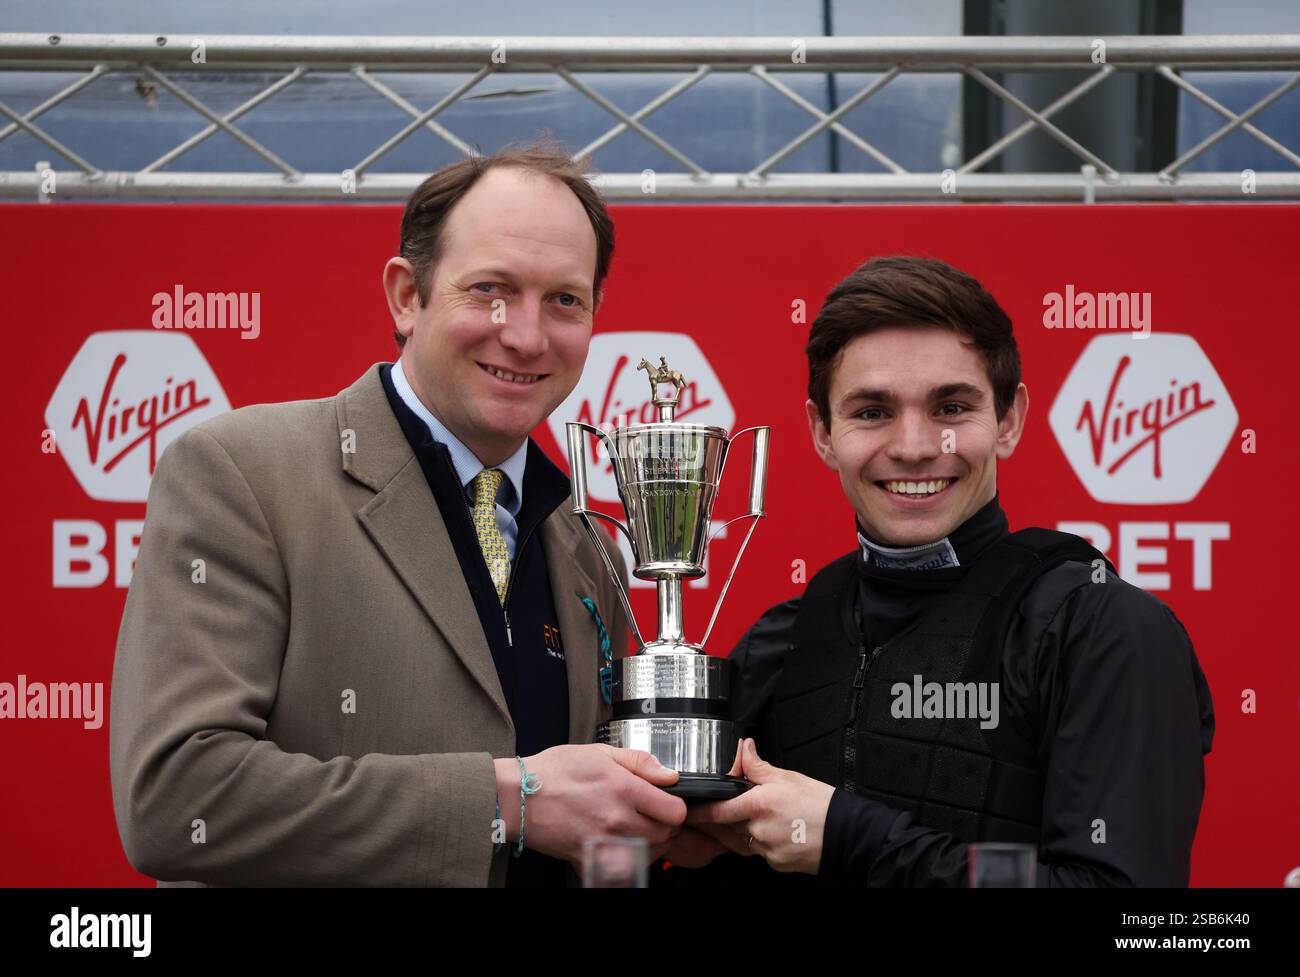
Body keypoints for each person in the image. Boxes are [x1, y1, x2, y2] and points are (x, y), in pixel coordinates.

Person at [110, 142, 690, 888]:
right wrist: (507, 801)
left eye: (565, 300)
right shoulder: (243, 473)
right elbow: (175, 798)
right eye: (490, 288)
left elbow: (592, 838)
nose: (525, 334)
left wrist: (668, 832)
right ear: (407, 296)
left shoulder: (589, 542)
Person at [660, 256, 1214, 887]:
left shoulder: (1104, 631)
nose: (917, 446)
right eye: (872, 411)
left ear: (1008, 420)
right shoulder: (781, 640)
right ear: (822, 432)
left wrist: (853, 837)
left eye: (951, 408)